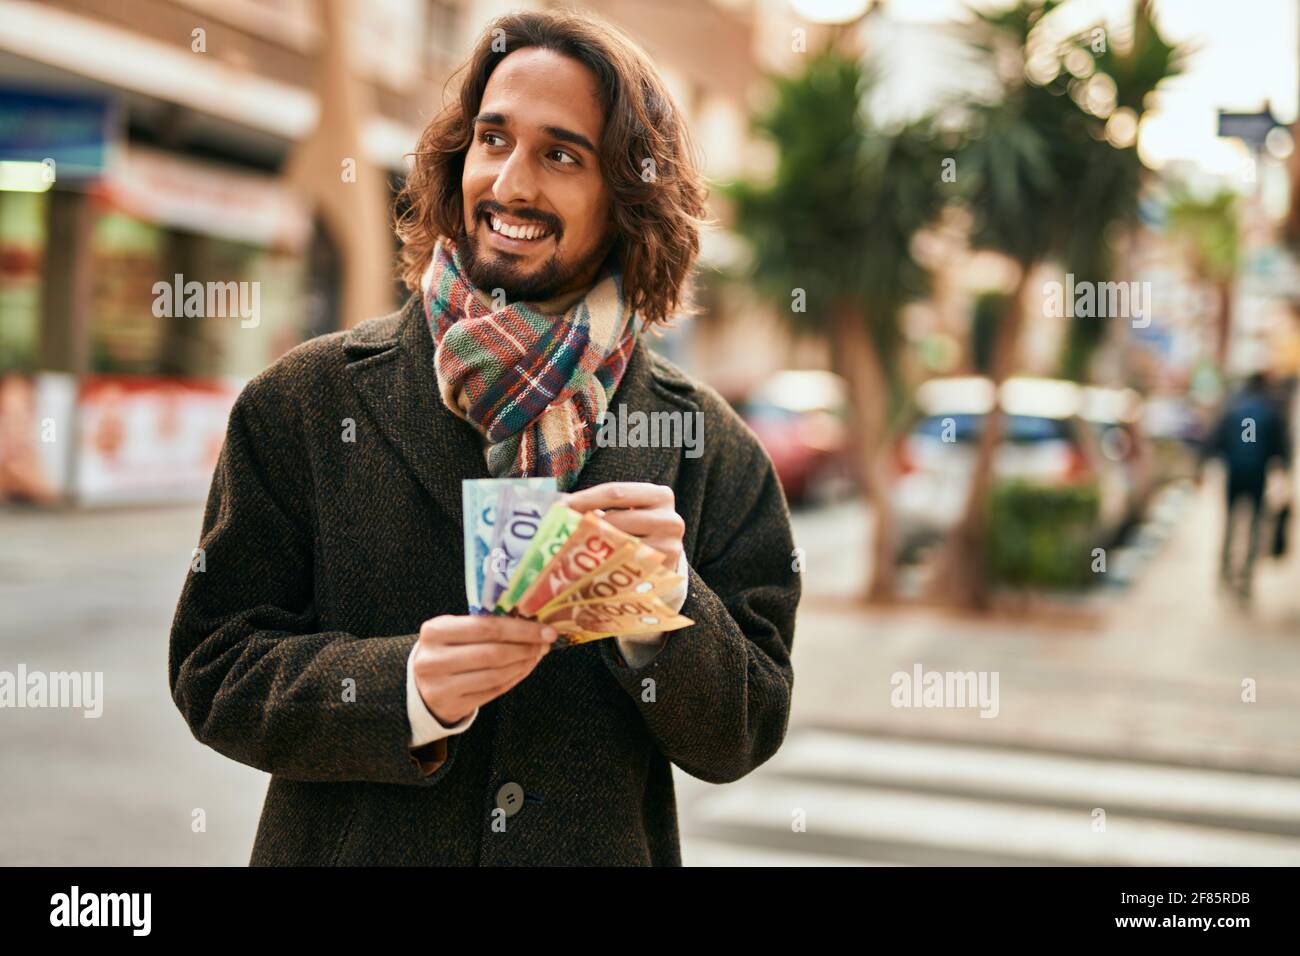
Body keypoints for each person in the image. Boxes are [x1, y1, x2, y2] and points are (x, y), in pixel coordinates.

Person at [167, 9, 799, 866]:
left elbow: (745, 732)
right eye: (493, 139)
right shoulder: (305, 402)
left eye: (562, 155)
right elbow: (214, 665)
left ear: (628, 198)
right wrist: (406, 691)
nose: (512, 183)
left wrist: (667, 609)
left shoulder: (704, 444)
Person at [1206, 371, 1292, 602]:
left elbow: (1215, 440)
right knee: (1254, 524)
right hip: (1257, 475)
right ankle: (1246, 576)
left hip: (1235, 472)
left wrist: (1207, 464)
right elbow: (1281, 447)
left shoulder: (1233, 408)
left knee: (1231, 521)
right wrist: (1284, 473)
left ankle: (1224, 571)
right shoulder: (1270, 410)